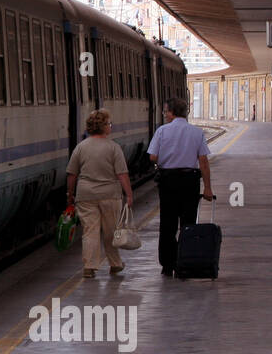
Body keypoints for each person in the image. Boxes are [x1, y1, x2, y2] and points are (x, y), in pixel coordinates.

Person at [148, 96, 214, 276]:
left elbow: (152, 157)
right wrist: (207, 188)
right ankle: (185, 261)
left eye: (165, 111)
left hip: (168, 181)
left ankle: (168, 264)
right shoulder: (196, 132)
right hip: (190, 181)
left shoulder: (162, 131)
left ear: (170, 113)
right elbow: (203, 162)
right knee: (188, 223)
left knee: (167, 224)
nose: (165, 114)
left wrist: (166, 157)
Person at [65, 109, 133, 279]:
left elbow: (72, 174)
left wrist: (70, 193)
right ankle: (115, 264)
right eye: (109, 124)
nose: (111, 127)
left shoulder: (80, 147)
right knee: (111, 231)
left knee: (90, 231)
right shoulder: (113, 147)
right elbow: (122, 174)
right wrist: (129, 195)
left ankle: (90, 266)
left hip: (86, 195)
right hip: (110, 194)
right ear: (103, 127)